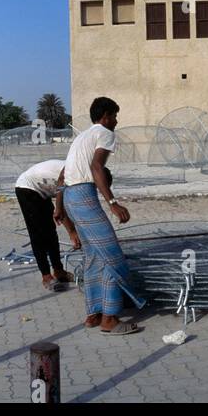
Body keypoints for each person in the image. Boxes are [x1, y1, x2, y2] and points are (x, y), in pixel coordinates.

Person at [59, 97, 145, 335]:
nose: (116, 121)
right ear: (105, 116)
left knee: (94, 256)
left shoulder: (81, 137)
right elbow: (97, 167)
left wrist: (60, 205)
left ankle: (93, 314)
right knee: (110, 255)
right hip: (84, 197)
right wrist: (113, 203)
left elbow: (63, 175)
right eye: (115, 116)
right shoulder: (105, 133)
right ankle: (110, 318)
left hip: (71, 197)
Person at [15, 159, 81, 292]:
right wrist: (72, 232)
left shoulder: (81, 176)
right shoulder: (72, 175)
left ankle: (59, 271)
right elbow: (62, 209)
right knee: (38, 234)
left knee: (50, 231)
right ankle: (46, 276)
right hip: (27, 187)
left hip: (42, 190)